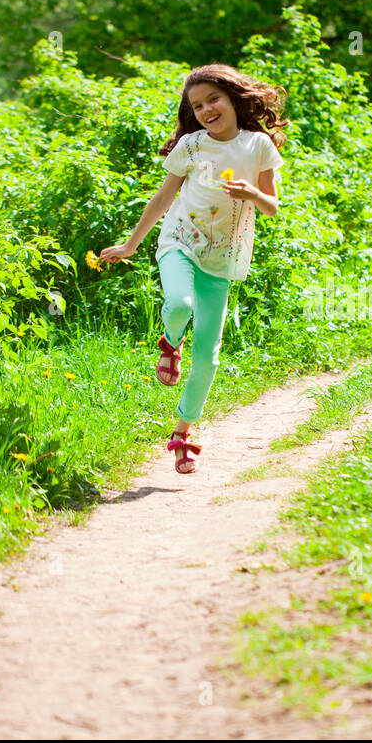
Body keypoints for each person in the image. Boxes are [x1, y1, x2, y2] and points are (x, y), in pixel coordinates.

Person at [100, 64, 288, 473]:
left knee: (208, 356)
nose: (205, 110)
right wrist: (131, 245)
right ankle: (170, 343)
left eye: (213, 99)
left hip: (221, 259)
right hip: (179, 242)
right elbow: (163, 198)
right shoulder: (191, 146)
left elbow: (272, 206)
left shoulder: (257, 146)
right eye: (197, 105)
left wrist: (252, 191)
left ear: (234, 98)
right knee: (179, 302)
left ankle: (182, 433)